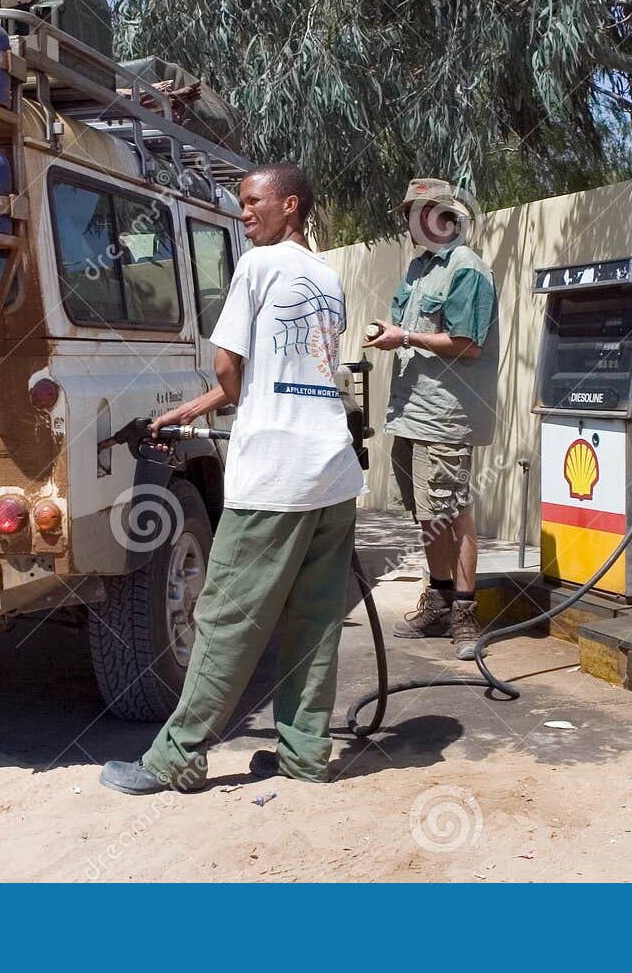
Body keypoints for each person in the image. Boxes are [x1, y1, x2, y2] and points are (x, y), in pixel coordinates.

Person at [100, 164, 365, 794]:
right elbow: (282, 374)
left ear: (290, 205)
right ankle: (303, 756)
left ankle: (177, 758)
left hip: (274, 475)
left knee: (226, 618)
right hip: (332, 470)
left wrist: (201, 402)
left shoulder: (258, 267)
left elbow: (229, 369)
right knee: (314, 619)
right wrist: (189, 411)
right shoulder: (329, 280)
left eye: (253, 203)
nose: (244, 214)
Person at [363, 178, 500, 661]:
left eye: (419, 212)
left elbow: (468, 344)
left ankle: (466, 613)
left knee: (452, 507)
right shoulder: (420, 269)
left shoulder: (467, 270)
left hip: (445, 412)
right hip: (411, 410)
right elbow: (413, 327)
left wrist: (403, 339)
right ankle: (440, 597)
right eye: (408, 213)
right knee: (428, 512)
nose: (409, 222)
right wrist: (391, 331)